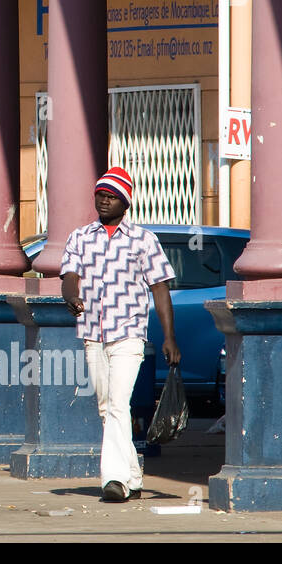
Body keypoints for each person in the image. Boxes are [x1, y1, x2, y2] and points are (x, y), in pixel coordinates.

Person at [60, 167, 181, 503]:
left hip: (129, 333)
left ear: (125, 203)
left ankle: (113, 480)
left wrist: (169, 337)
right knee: (106, 407)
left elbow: (160, 289)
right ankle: (133, 476)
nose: (103, 200)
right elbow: (69, 274)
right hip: (92, 332)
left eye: (111, 196)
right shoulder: (80, 236)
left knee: (117, 404)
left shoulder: (144, 240)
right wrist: (70, 295)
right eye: (100, 194)